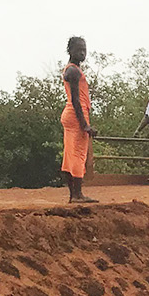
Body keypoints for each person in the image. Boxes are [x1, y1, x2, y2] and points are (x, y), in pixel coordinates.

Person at [58, 37, 98, 204]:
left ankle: (73, 195)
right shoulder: (73, 71)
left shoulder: (72, 70)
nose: (82, 52)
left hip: (72, 114)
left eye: (84, 49)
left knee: (70, 155)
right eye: (78, 49)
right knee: (78, 155)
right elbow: (76, 100)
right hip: (76, 114)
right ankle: (77, 195)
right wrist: (85, 125)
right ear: (70, 50)